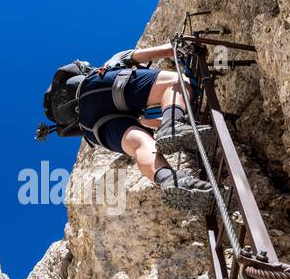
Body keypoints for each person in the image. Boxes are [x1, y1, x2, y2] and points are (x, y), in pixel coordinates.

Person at [42, 43, 215, 211]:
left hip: (92, 126)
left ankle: (170, 180)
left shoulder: (82, 119)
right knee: (177, 81)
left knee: (140, 143)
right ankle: (175, 124)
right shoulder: (113, 62)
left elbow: (146, 124)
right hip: (103, 86)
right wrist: (182, 47)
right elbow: (155, 53)